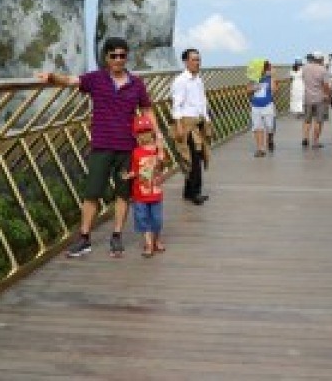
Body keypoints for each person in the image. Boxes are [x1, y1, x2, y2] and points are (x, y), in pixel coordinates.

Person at [35, 37, 160, 258]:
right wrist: (52, 77)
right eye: (114, 56)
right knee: (92, 192)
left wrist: (157, 137)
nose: (118, 60)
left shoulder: (136, 83)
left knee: (123, 193)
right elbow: (72, 81)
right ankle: (84, 238)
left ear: (126, 57)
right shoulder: (96, 79)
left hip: (127, 147)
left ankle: (117, 236)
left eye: (122, 55)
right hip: (102, 145)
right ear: (106, 57)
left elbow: (147, 109)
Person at [172, 48, 212, 204]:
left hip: (199, 121)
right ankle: (195, 192)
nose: (197, 63)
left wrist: (207, 119)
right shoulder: (181, 81)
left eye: (198, 60)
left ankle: (189, 191)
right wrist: (179, 126)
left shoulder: (198, 80)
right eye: (194, 60)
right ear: (186, 61)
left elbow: (202, 101)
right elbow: (177, 104)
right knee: (193, 159)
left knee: (199, 156)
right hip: (187, 124)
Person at [125, 114, 166, 257]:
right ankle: (148, 244)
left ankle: (157, 239)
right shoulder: (136, 152)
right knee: (142, 218)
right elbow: (136, 170)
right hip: (140, 193)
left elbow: (161, 165)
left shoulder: (156, 150)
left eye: (146, 132)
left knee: (157, 219)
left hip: (155, 192)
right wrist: (129, 175)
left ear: (151, 133)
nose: (143, 136)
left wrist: (160, 149)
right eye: (139, 133)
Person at [300, 52, 332, 148]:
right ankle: (315, 141)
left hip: (307, 98)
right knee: (319, 121)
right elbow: (326, 85)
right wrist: (329, 96)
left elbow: (303, 79)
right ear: (321, 59)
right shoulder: (323, 70)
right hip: (320, 99)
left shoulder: (305, 68)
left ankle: (305, 138)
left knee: (307, 120)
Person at [251, 60, 278, 157]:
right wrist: (254, 88)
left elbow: (274, 90)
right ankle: (260, 149)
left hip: (267, 105)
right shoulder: (254, 78)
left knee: (270, 126)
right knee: (258, 127)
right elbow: (247, 89)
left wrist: (273, 77)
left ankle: (270, 136)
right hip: (255, 105)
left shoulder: (270, 78)